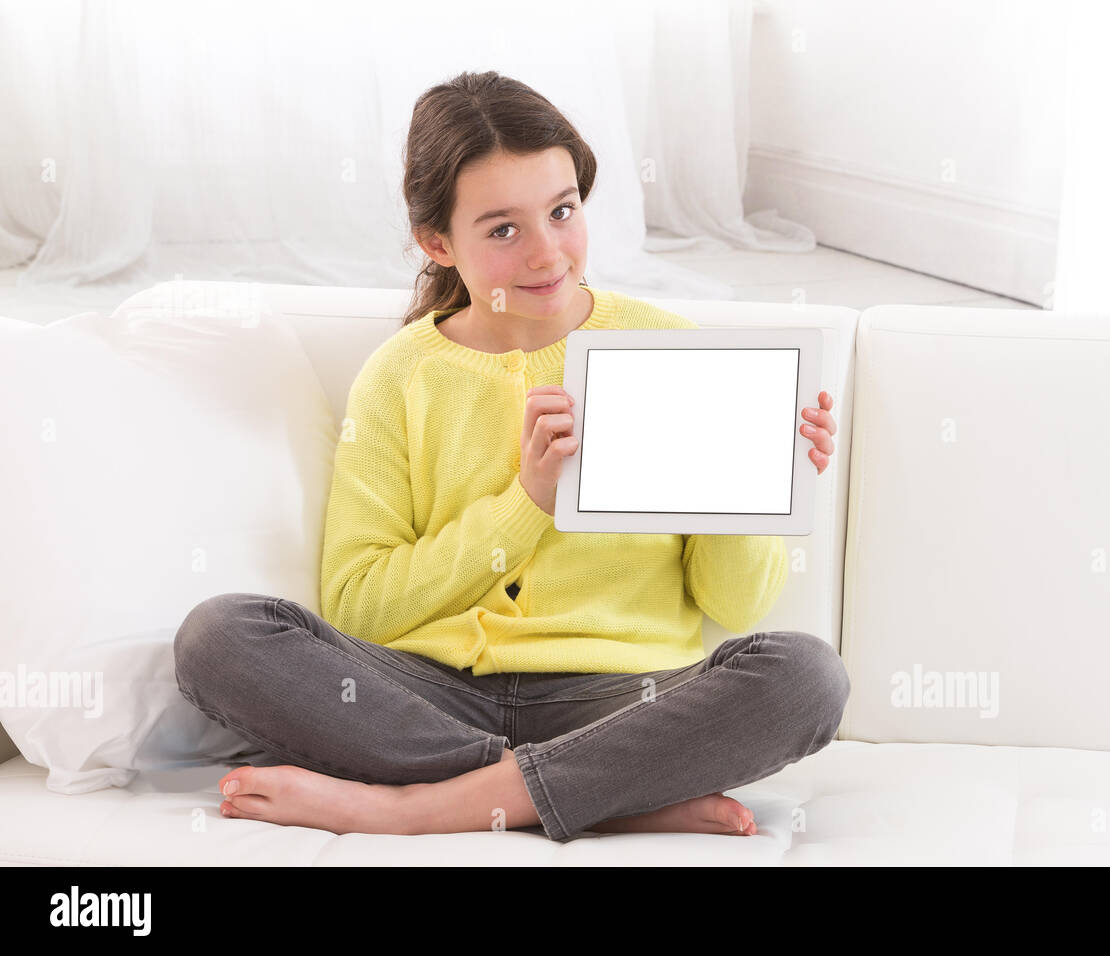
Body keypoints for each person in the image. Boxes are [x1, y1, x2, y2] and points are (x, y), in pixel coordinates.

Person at [172, 70, 847, 841]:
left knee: (806, 676)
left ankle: (420, 807)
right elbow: (359, 604)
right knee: (218, 637)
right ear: (437, 243)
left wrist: (752, 482)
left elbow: (734, 605)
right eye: (503, 229)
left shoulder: (664, 348)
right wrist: (525, 504)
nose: (547, 253)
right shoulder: (401, 375)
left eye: (562, 211)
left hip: (623, 701)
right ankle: (606, 795)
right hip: (432, 697)